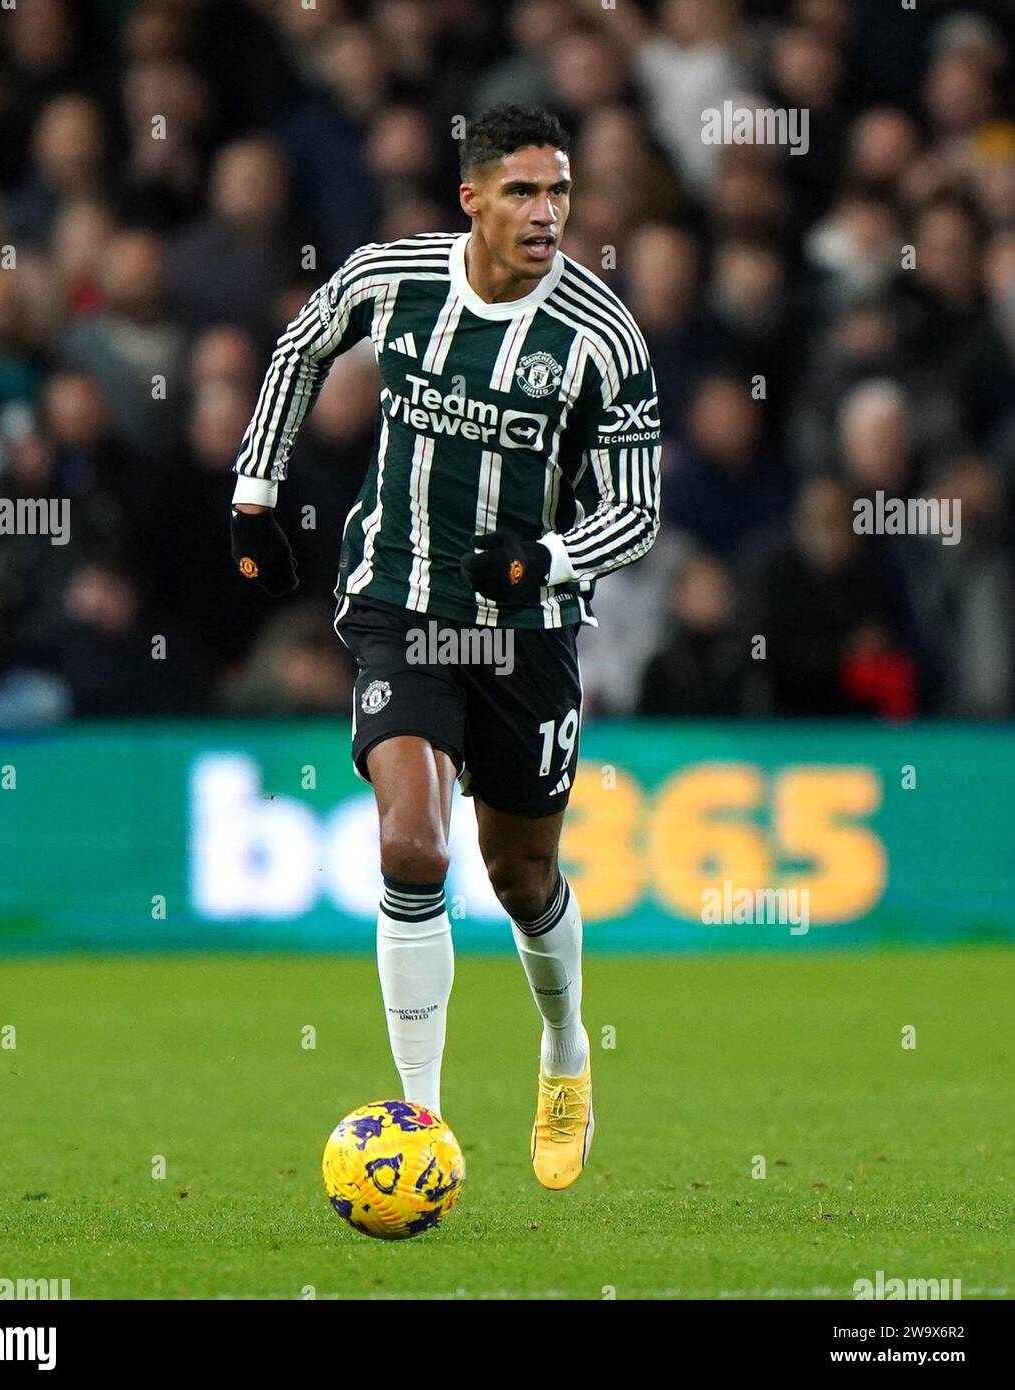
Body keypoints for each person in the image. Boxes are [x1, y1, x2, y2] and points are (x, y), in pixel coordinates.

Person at [229, 105, 662, 1191]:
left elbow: (641, 511)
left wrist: (548, 561)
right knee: (414, 848)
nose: (546, 213)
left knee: (523, 877)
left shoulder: (601, 337)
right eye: (522, 191)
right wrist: (255, 491)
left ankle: (564, 1051)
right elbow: (301, 343)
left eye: (559, 191)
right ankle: (418, 1122)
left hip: (527, 632)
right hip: (399, 603)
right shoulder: (396, 276)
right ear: (470, 197)